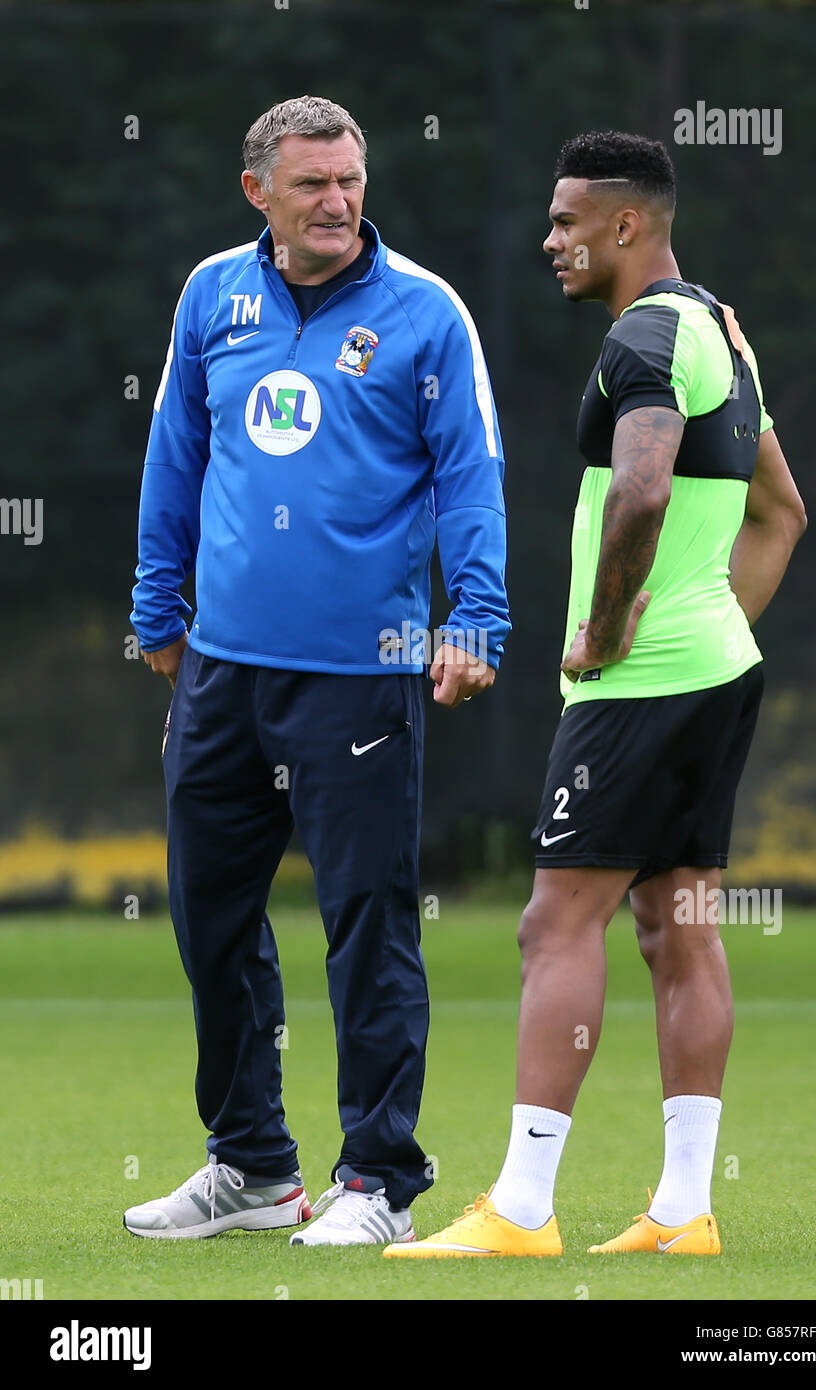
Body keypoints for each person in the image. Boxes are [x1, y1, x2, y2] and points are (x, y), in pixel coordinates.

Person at [385, 130, 805, 1260]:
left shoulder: (644, 335)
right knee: (679, 926)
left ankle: (521, 1209)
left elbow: (639, 493)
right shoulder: (719, 330)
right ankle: (683, 1210)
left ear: (626, 225)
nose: (550, 240)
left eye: (567, 221)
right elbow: (783, 514)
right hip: (714, 668)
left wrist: (615, 629)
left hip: (638, 682)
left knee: (554, 923)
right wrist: (709, 626)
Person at [125, 95, 509, 1246]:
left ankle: (378, 1180)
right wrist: (156, 604)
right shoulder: (213, 295)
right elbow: (175, 454)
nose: (337, 201)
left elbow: (469, 474)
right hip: (222, 673)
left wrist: (476, 615)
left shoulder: (425, 312)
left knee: (366, 926)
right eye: (311, 184)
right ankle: (251, 1166)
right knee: (208, 917)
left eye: (349, 179)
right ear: (258, 192)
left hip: (361, 673)